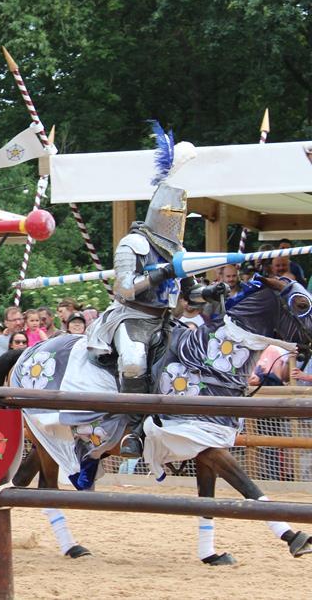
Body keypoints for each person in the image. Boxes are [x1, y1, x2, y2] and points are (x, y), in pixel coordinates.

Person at [84, 126, 223, 458]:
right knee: (133, 364)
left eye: (180, 218)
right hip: (131, 319)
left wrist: (212, 291)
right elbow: (124, 289)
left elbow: (191, 294)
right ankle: (133, 430)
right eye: (172, 217)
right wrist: (160, 273)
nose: (176, 224)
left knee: (196, 357)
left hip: (166, 321)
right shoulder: (134, 244)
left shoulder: (180, 251)